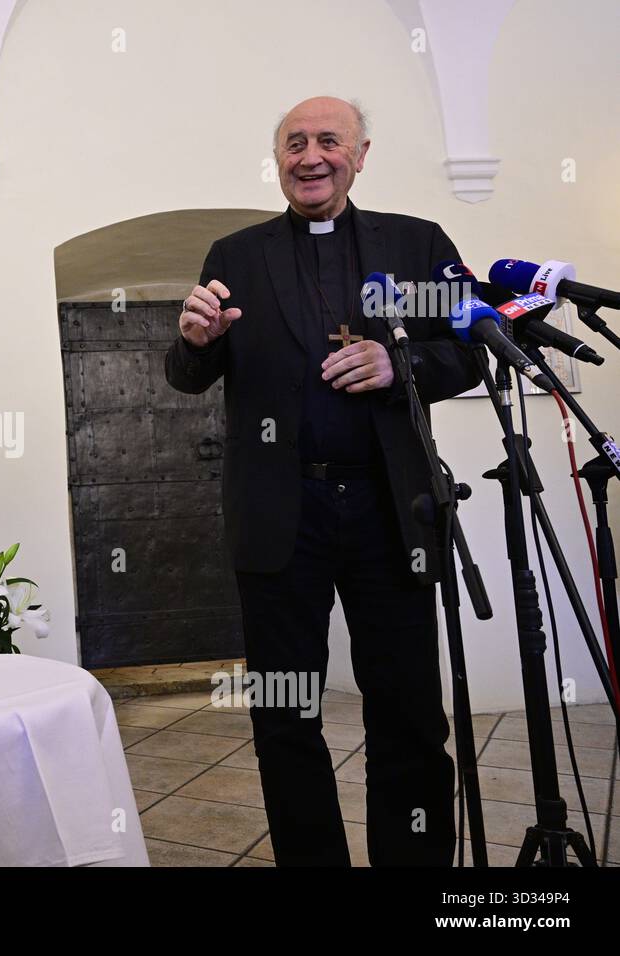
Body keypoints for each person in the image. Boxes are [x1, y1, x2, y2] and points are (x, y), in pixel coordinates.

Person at [164, 96, 483, 866]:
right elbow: (188, 373)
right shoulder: (235, 255)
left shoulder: (417, 243)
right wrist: (195, 341)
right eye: (295, 143)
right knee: (285, 718)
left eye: (329, 141)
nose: (311, 156)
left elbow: (473, 350)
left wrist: (399, 363)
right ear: (277, 160)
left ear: (360, 154)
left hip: (390, 509)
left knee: (408, 714)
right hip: (281, 514)